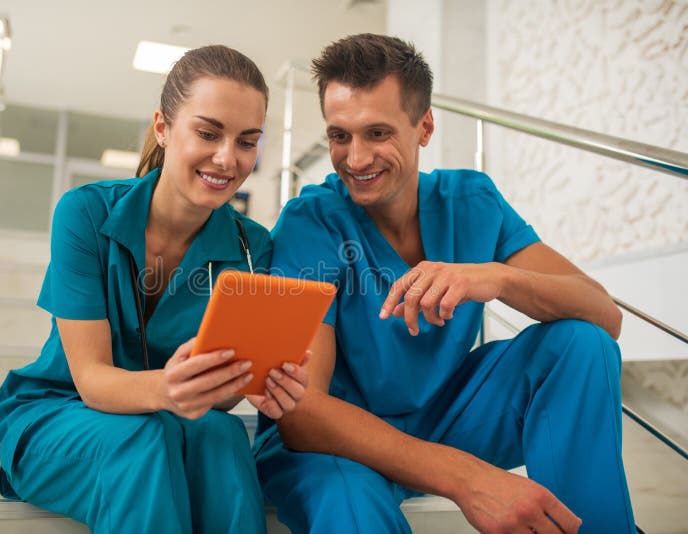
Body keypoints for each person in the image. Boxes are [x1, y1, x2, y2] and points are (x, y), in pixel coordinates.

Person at [255, 34, 636, 534]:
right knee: (352, 512)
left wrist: (497, 278)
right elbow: (302, 413)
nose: (356, 158)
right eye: (339, 135)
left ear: (425, 126)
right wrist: (465, 478)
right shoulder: (310, 223)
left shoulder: (473, 201)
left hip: (448, 417)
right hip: (336, 442)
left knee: (580, 345)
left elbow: (604, 315)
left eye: (377, 132)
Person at [0, 45, 309, 534]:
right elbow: (92, 380)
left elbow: (215, 403)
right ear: (163, 128)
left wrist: (251, 381)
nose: (228, 159)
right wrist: (168, 388)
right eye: (208, 133)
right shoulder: (85, 215)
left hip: (172, 422)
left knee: (223, 436)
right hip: (63, 413)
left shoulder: (254, 248)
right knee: (142, 439)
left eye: (247, 141)